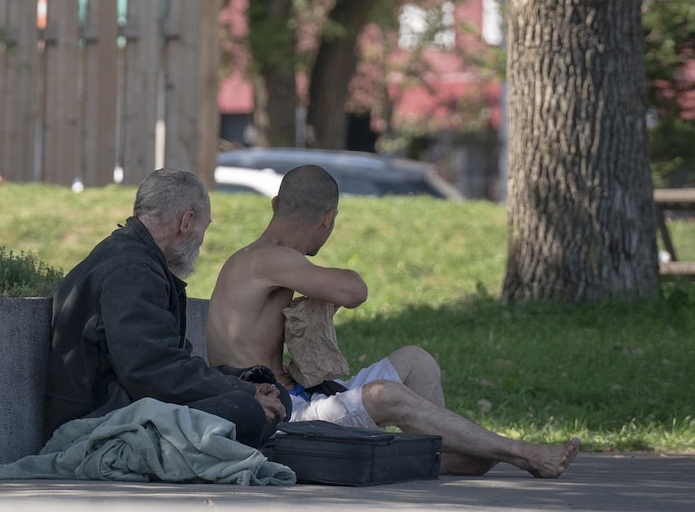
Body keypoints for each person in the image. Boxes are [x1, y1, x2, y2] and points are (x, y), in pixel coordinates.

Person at [206, 164, 580, 478]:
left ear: (275, 204)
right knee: (385, 394)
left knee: (416, 361)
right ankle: (523, 453)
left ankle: (444, 453)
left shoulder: (254, 260)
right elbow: (355, 291)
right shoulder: (273, 258)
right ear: (328, 218)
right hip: (284, 416)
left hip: (306, 398)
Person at [43, 168, 289, 449]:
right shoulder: (132, 270)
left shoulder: (135, 260)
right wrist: (244, 393)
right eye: (204, 227)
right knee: (247, 411)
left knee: (274, 395)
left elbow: (166, 361)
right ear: (187, 222)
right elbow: (151, 371)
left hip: (132, 403)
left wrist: (247, 384)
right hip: (99, 422)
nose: (202, 238)